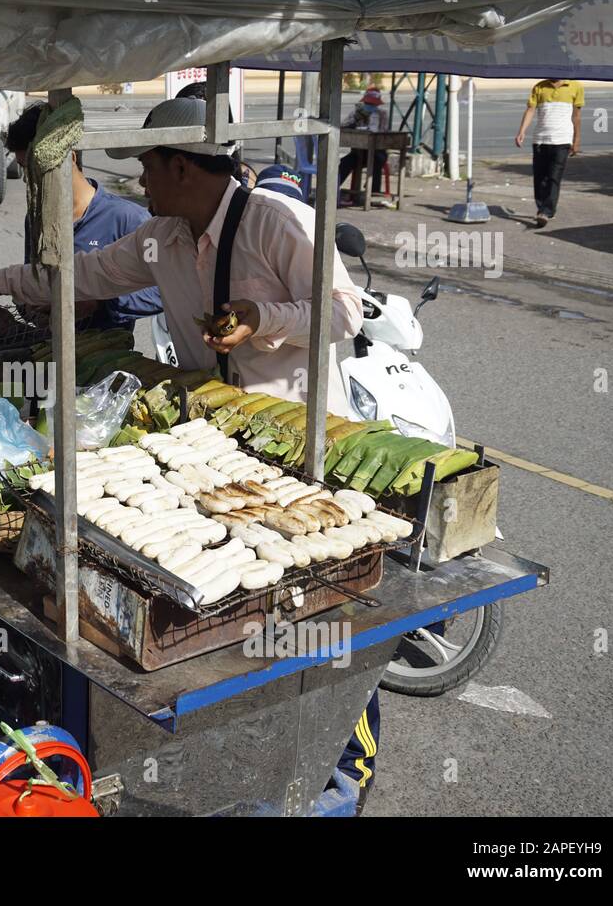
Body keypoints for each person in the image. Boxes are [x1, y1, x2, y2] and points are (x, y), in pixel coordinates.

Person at [0, 97, 363, 412]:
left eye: (147, 167)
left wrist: (262, 319)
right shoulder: (159, 237)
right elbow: (76, 275)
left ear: (180, 168)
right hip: (212, 418)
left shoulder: (280, 221)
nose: (141, 182)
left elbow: (345, 314)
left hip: (298, 425)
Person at [251, 160, 382, 810]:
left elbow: (342, 315)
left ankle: (348, 776)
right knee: (284, 634)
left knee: (334, 631)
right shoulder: (218, 233)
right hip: (269, 464)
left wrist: (262, 318)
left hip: (317, 456)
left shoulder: (289, 224)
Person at [5, 104, 155, 330]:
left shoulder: (129, 219)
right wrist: (29, 304)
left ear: (70, 159)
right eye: (23, 169)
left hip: (104, 355)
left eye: (35, 169)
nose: (28, 179)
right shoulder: (36, 218)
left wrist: (99, 302)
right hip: (48, 348)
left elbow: (160, 292)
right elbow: (34, 279)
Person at [515, 78, 584, 227]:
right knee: (540, 177)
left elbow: (576, 116)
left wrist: (576, 140)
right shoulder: (539, 87)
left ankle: (546, 211)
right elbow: (531, 109)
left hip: (562, 140)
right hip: (540, 139)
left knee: (554, 177)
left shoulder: (575, 87)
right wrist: (522, 131)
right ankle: (541, 208)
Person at [338, 86, 387, 202]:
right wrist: (355, 119)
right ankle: (333, 187)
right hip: (358, 152)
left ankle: (373, 191)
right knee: (345, 162)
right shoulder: (356, 113)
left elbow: (382, 131)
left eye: (372, 104)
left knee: (378, 160)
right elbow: (342, 125)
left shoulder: (382, 114)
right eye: (367, 103)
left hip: (376, 151)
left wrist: (370, 121)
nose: (369, 106)